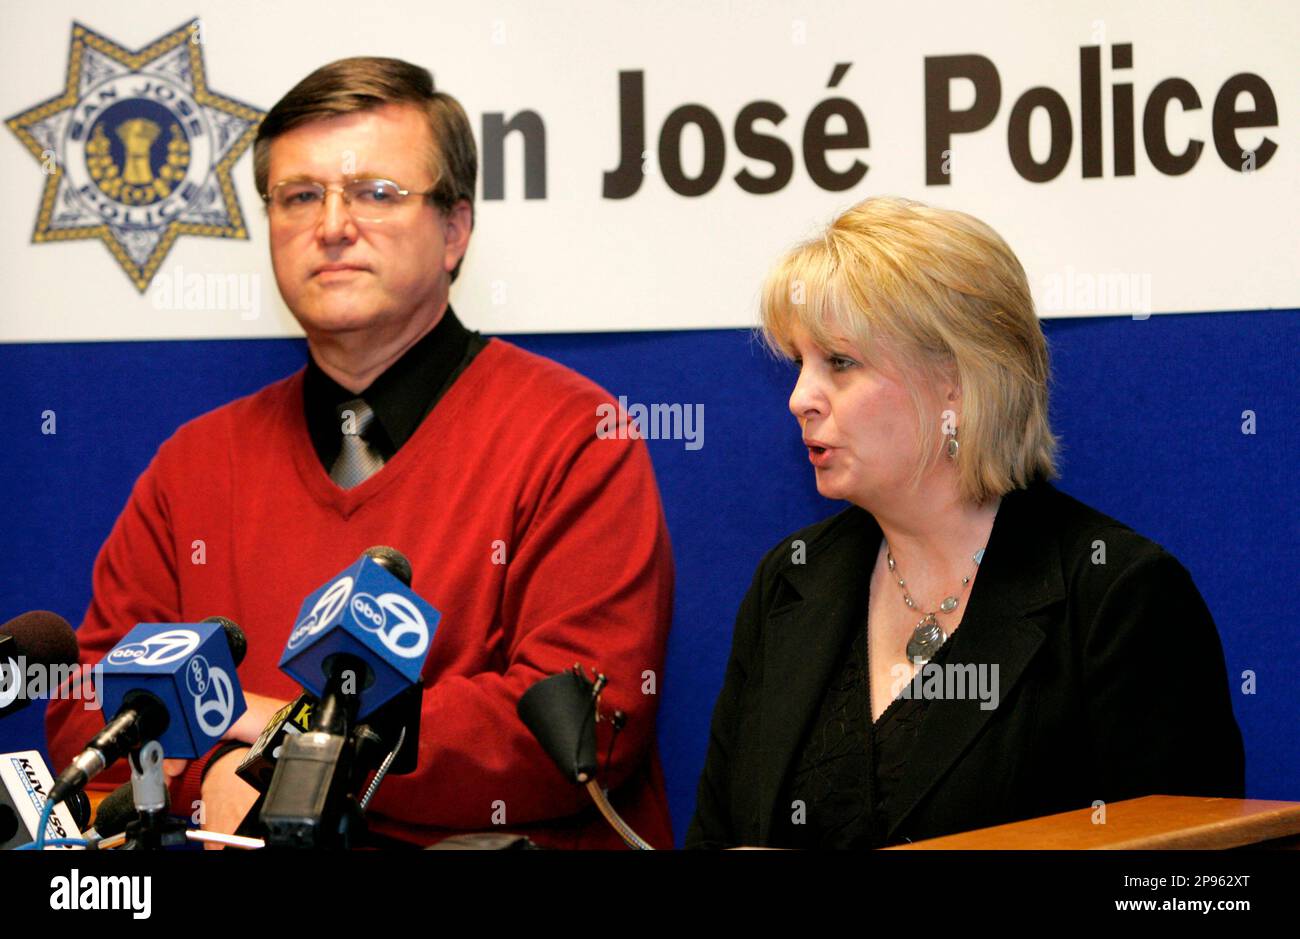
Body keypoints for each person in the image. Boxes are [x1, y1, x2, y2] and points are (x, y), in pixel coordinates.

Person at [46, 57, 675, 849]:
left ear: (455, 230)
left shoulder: (576, 435)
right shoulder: (192, 465)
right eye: (300, 196)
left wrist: (294, 742)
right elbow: (85, 708)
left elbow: (587, 719)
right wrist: (199, 778)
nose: (333, 224)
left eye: (377, 194)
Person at [686, 196, 1244, 849]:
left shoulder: (1116, 601)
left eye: (839, 362)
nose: (800, 397)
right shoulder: (790, 582)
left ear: (955, 379)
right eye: (799, 363)